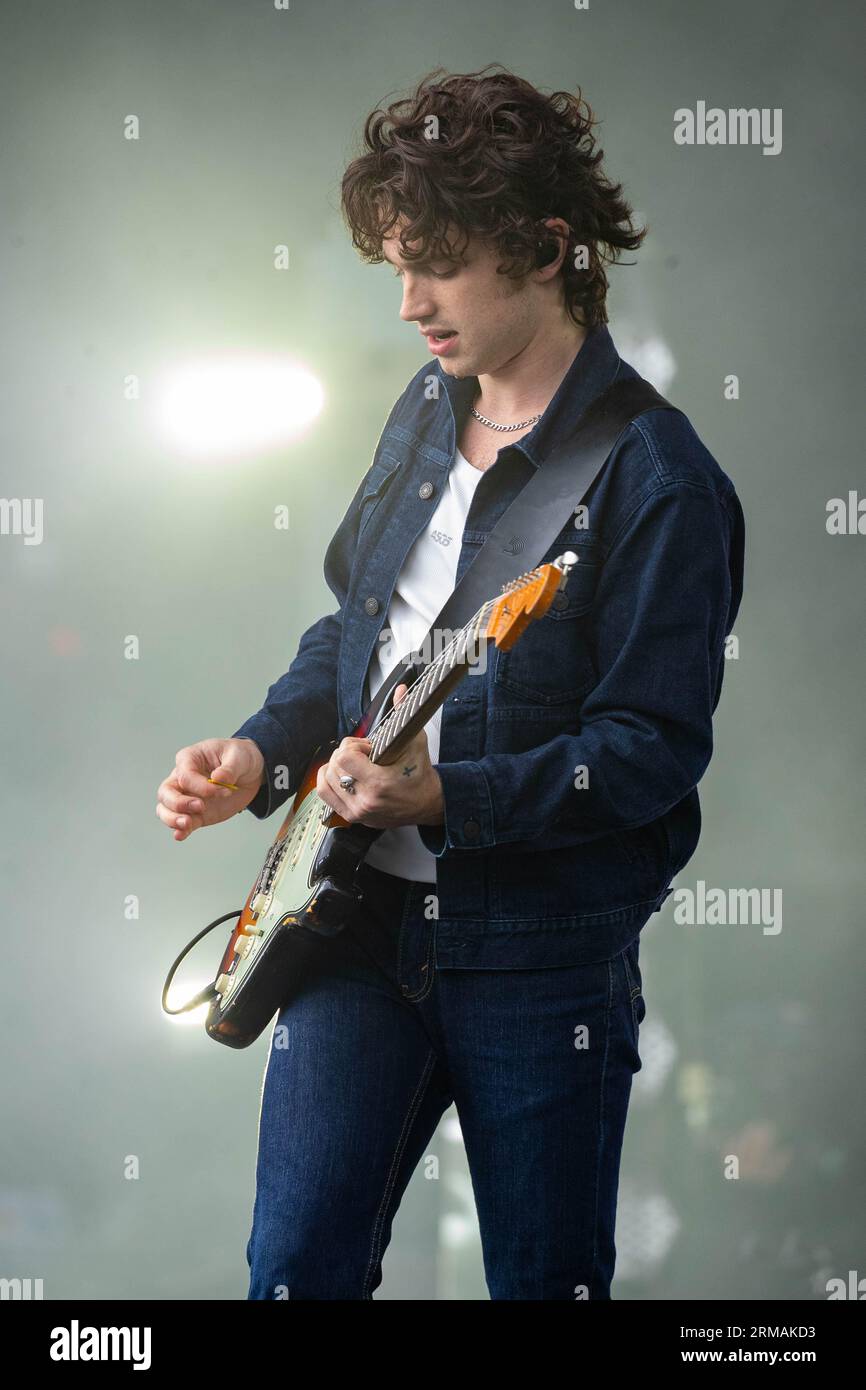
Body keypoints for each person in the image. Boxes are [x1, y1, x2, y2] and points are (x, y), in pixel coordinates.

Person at [156, 66, 745, 1300]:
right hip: (351, 921)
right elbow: (358, 634)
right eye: (396, 268)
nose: (410, 303)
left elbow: (649, 749)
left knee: (541, 1282)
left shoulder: (657, 477)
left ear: (543, 245)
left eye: (437, 267)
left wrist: (447, 797)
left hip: (538, 960)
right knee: (292, 1270)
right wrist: (261, 752)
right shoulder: (427, 407)